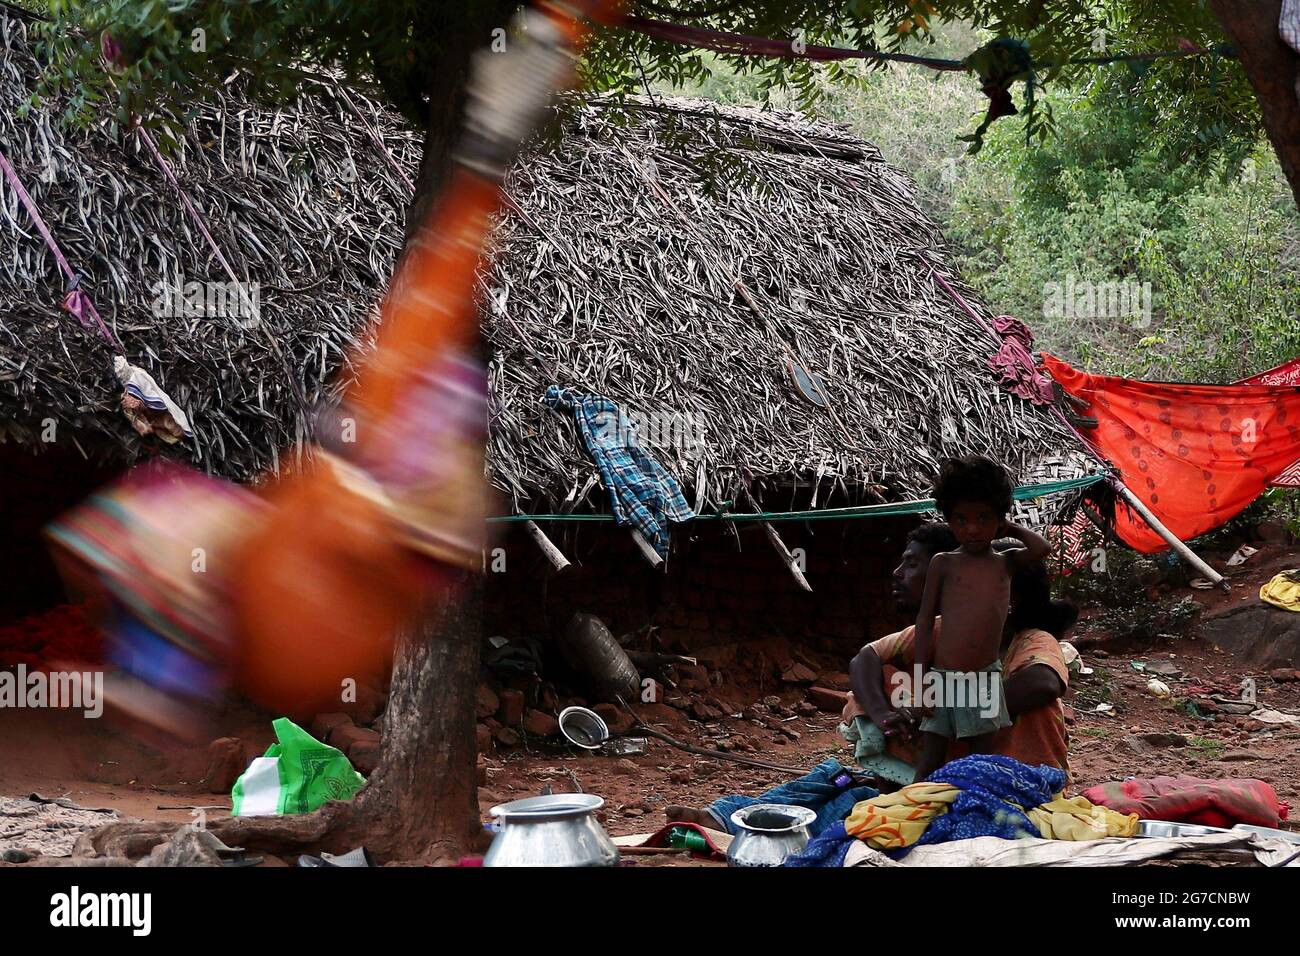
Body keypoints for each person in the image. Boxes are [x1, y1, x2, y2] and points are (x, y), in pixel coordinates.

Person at [910, 455, 1050, 781]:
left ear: (999, 519)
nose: (972, 528)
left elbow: (1041, 547)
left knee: (981, 758)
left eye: (983, 518)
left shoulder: (1005, 562)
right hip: (942, 677)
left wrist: (1009, 526)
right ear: (948, 520)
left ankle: (974, 809)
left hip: (985, 679)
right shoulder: (943, 563)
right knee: (931, 756)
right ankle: (915, 814)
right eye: (960, 520)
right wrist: (920, 678)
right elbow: (925, 619)